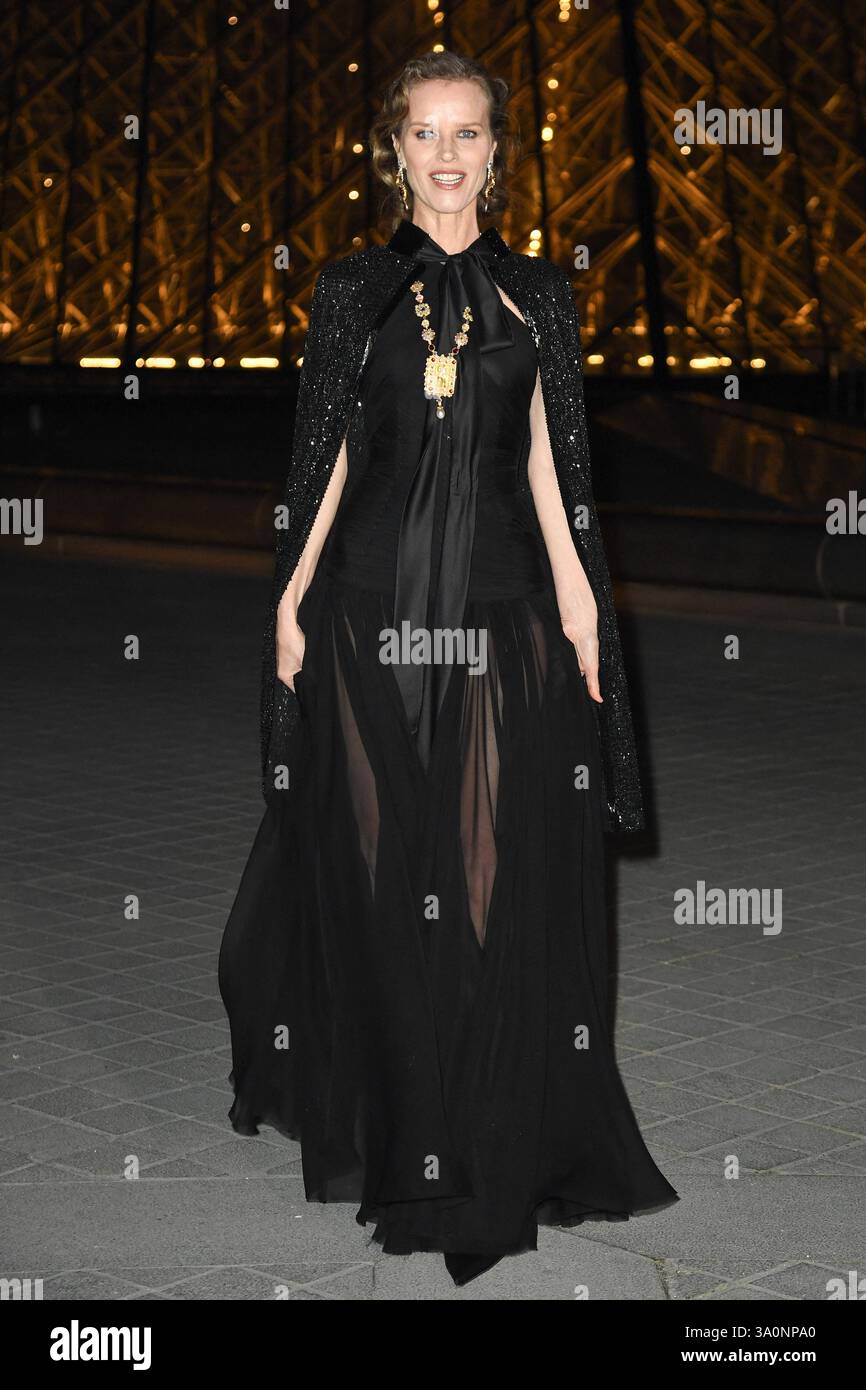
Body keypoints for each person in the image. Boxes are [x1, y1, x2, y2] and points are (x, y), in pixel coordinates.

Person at [219, 49, 678, 1289]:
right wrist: (289, 604)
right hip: (367, 619)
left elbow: (551, 470)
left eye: (465, 131)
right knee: (382, 880)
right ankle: (400, 1129)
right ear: (394, 148)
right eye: (422, 131)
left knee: (480, 879)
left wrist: (585, 614)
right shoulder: (349, 291)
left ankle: (471, 1149)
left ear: (496, 149)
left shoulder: (541, 296)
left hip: (497, 621)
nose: (443, 152)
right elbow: (323, 464)